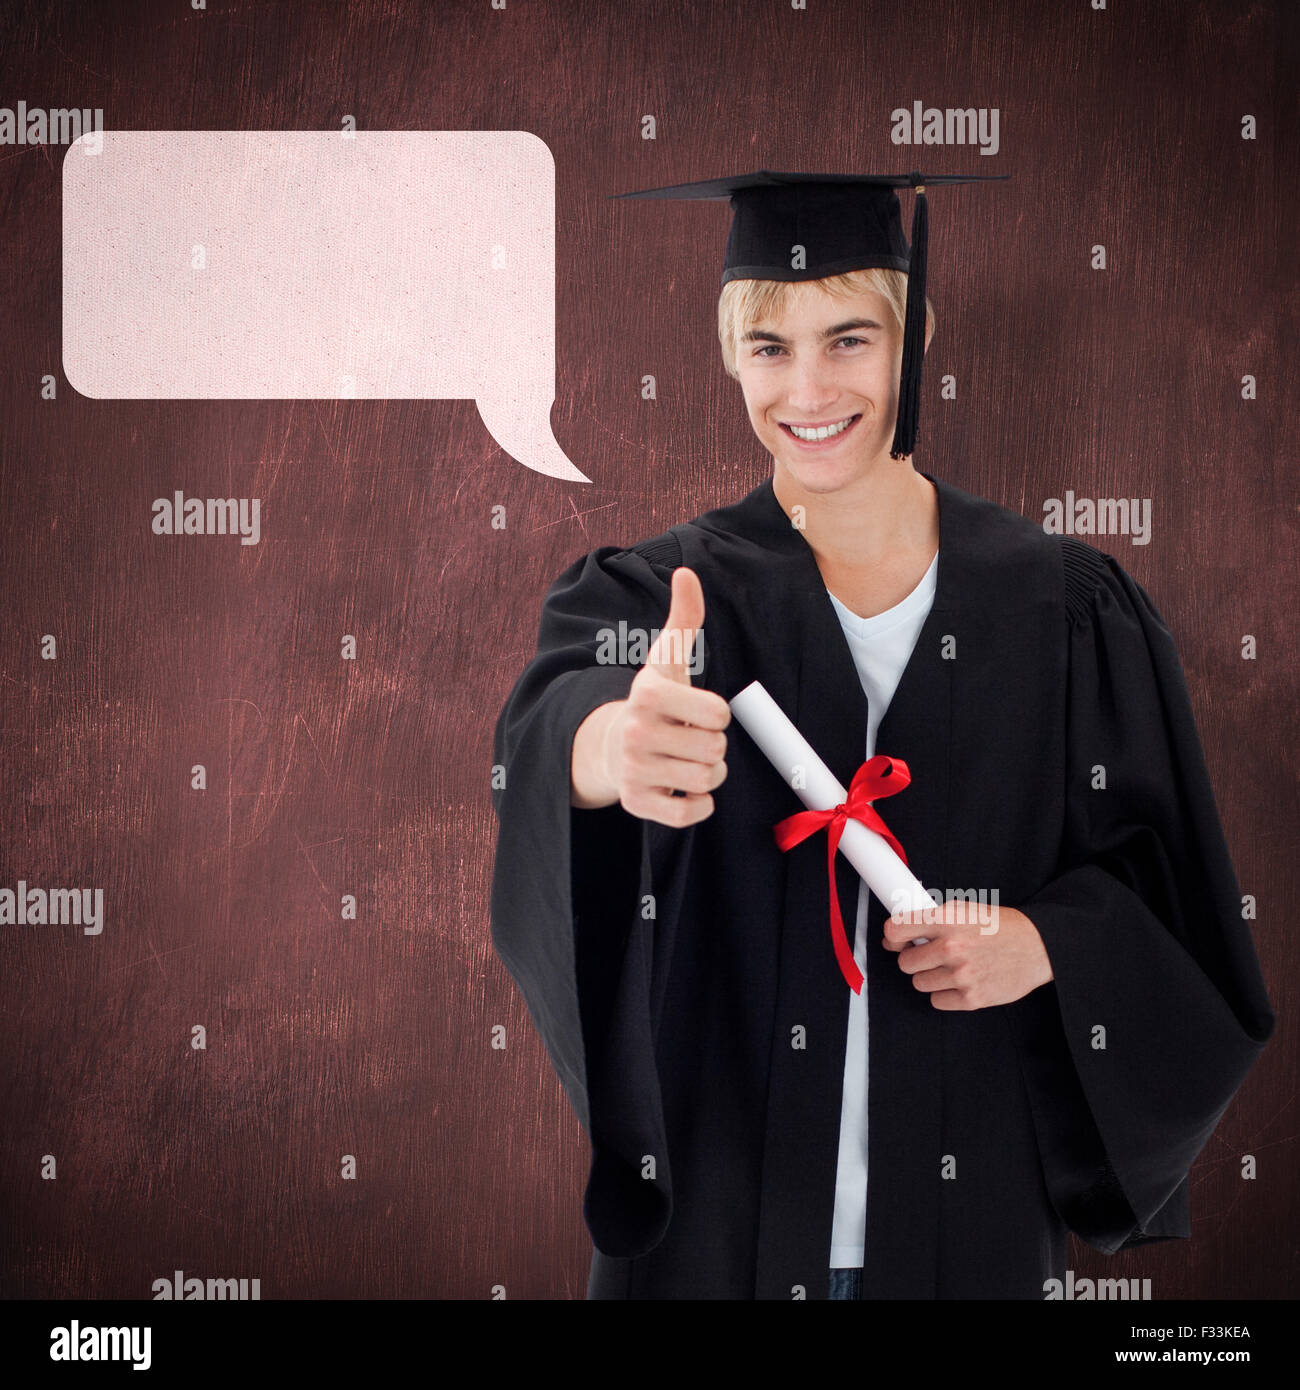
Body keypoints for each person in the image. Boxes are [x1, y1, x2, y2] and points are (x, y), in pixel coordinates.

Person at [488, 171, 1275, 1300]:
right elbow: (550, 727)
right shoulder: (662, 598)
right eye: (768, 347)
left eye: (848, 339)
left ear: (915, 338)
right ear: (729, 357)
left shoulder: (1059, 608)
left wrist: (1047, 944)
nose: (807, 387)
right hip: (716, 1239)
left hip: (971, 1229)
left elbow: (1175, 899)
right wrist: (608, 751)